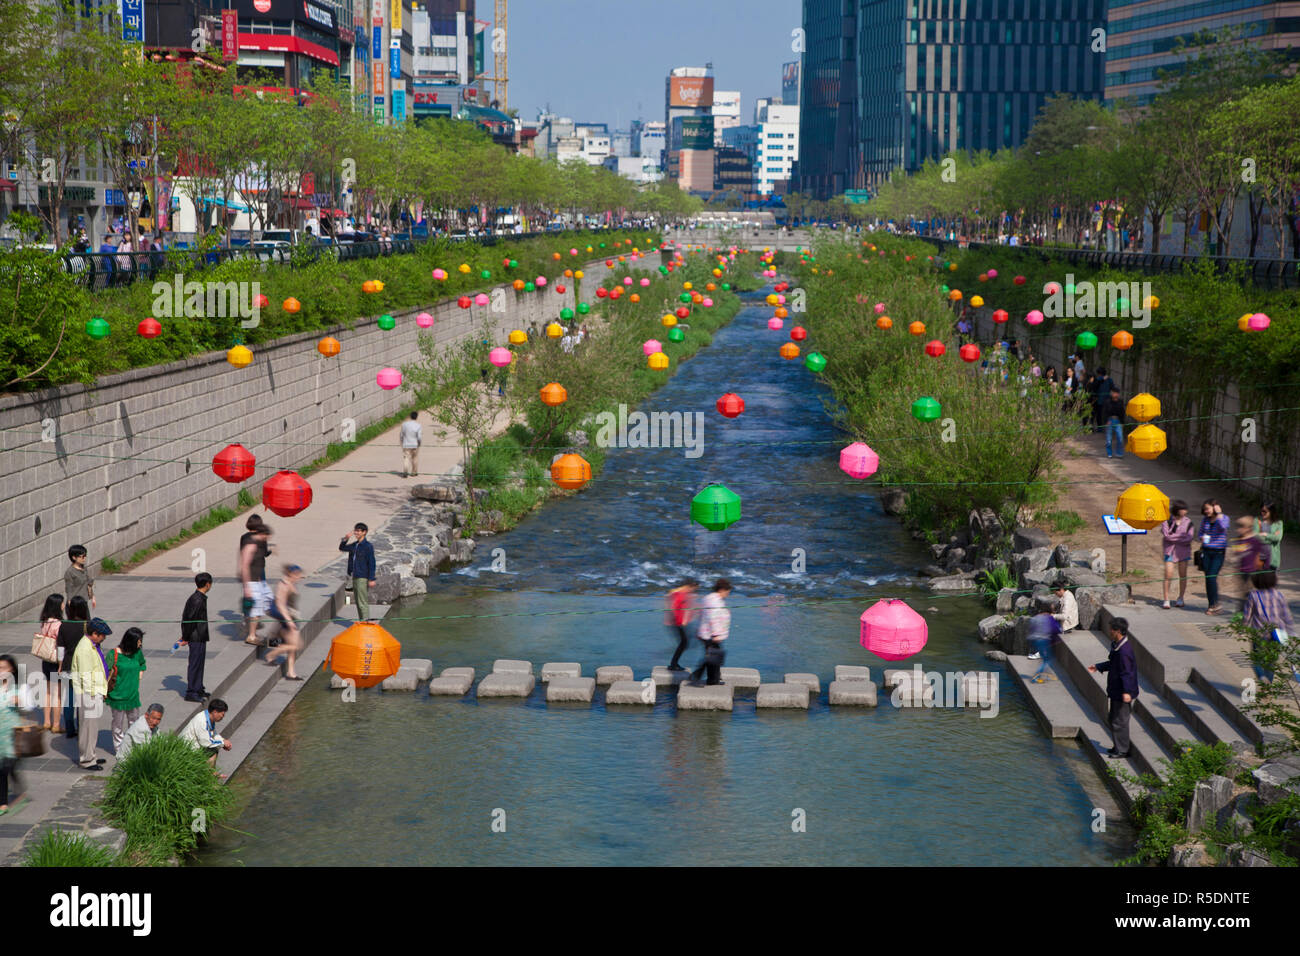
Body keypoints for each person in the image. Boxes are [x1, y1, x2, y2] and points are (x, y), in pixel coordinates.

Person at [1089, 617, 1138, 759]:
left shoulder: (1124, 652)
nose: (1109, 631)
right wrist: (1098, 667)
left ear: (1117, 631)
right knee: (1113, 718)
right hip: (1116, 690)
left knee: (1120, 720)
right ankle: (1118, 746)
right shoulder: (1118, 646)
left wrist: (1127, 692)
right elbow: (1113, 664)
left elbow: (1127, 673)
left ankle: (1122, 750)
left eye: (1111, 629)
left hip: (1122, 691)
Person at [70, 618, 113, 770]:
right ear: (94, 634)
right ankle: (87, 760)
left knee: (93, 728)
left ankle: (91, 755)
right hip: (89, 695)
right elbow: (86, 675)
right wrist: (93, 696)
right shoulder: (85, 649)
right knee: (87, 728)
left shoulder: (92, 645)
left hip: (94, 692)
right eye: (102, 635)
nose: (104, 638)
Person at [1243, 571, 1296, 682]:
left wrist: (1243, 627)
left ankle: (1262, 678)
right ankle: (1268, 687)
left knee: (1256, 659)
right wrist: (1291, 631)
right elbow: (1286, 614)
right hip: (1277, 633)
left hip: (1259, 632)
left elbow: (1247, 615)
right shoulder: (1279, 594)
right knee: (1271, 661)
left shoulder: (1253, 595)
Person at [106, 627, 147, 754]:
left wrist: (140, 675)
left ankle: (133, 747)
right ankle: (119, 749)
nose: (140, 644)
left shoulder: (137, 653)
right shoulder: (114, 654)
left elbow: (142, 664)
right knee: (118, 724)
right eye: (138, 641)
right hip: (117, 696)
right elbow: (105, 672)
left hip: (133, 696)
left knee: (134, 723)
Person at [58, 595, 90, 739]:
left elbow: (60, 649)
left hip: (67, 665)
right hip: (83, 667)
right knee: (81, 699)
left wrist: (60, 665)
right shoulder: (88, 626)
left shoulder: (64, 625)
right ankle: (82, 726)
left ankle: (70, 728)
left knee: (69, 699)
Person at [0, 654, 28, 816]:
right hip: (0, 736)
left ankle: (3, 803)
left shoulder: (18, 688)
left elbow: (29, 705)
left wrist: (20, 701)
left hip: (13, 737)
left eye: (3, 668)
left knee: (5, 769)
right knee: (4, 769)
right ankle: (10, 797)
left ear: (11, 669)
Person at [690, 579, 732, 686]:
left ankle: (713, 680)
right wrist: (716, 634)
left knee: (714, 657)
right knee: (712, 658)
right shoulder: (715, 601)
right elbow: (713, 618)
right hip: (710, 634)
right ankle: (697, 676)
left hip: (705, 632)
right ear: (722, 590)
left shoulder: (709, 598)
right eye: (728, 592)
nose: (728, 594)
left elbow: (700, 614)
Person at [265, 565, 304, 680]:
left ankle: (291, 672)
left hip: (293, 617)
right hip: (289, 619)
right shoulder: (283, 585)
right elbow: (280, 605)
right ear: (291, 574)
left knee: (291, 646)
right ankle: (272, 654)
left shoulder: (291, 583)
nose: (299, 577)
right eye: (298, 575)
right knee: (296, 645)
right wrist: (289, 621)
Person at [180, 572, 213, 702]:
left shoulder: (199, 598)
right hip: (195, 637)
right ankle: (192, 692)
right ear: (207, 584)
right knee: (194, 664)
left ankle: (198, 688)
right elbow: (188, 620)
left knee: (200, 663)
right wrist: (185, 637)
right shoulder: (197, 600)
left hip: (200, 636)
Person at [239, 522, 273, 645]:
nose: (267, 539)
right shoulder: (251, 546)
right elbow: (244, 566)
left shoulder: (258, 544)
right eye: (266, 536)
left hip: (257, 581)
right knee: (256, 609)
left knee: (266, 602)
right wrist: (247, 586)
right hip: (251, 582)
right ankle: (251, 635)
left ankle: (253, 633)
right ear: (262, 534)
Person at [34, 593, 64, 731]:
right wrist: (61, 664)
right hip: (54, 661)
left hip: (45, 660)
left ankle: (46, 721)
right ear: (58, 606)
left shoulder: (45, 621)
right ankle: (56, 724)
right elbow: (60, 646)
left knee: (47, 692)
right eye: (62, 603)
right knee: (56, 694)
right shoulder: (58, 624)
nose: (64, 605)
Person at [1229, 516, 1271, 606]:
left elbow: (1265, 553)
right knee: (1243, 593)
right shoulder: (1239, 540)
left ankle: (1256, 612)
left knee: (1253, 593)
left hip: (1254, 571)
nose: (1238, 530)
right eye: (1237, 527)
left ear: (1248, 528)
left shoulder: (1255, 540)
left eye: (1241, 527)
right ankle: (1243, 612)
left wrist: (1265, 568)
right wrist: (1235, 559)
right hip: (1242, 571)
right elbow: (1237, 554)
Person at [1160, 500, 1195, 609]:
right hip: (1170, 551)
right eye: (1183, 509)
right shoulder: (1167, 521)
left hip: (1183, 552)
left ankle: (1181, 598)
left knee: (1183, 575)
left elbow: (1189, 538)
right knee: (1168, 574)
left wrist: (1174, 537)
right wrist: (1180, 536)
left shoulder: (1189, 522)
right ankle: (1166, 599)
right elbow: (1167, 536)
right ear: (1178, 510)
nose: (1185, 511)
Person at [1198, 499, 1230, 615]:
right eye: (1205, 509)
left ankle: (1215, 604)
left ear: (1215, 507)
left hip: (1218, 552)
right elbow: (1200, 532)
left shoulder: (1224, 518)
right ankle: (1212, 604)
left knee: (1211, 576)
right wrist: (1201, 537)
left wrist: (1219, 514)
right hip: (1206, 551)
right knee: (1208, 578)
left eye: (1208, 508)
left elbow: (1223, 527)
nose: (1206, 511)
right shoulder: (1205, 519)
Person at [181, 698, 232, 769]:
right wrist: (222, 743)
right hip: (187, 749)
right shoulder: (202, 721)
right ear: (215, 712)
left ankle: (211, 773)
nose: (222, 717)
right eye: (222, 714)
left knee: (214, 749)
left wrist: (223, 740)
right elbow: (206, 742)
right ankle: (209, 774)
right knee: (212, 750)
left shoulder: (209, 718)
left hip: (196, 746)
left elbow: (213, 734)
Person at [339, 524, 376, 621]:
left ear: (364, 532)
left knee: (362, 601)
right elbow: (342, 548)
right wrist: (345, 539)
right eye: (356, 530)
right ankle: (362, 621)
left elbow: (372, 563)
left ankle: (365, 622)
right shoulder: (355, 545)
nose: (356, 533)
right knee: (358, 601)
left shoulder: (368, 546)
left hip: (362, 577)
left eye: (359, 531)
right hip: (354, 576)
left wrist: (371, 578)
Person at [664, 578, 698, 672]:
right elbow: (674, 607)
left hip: (677, 622)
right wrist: (681, 621)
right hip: (676, 622)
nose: (694, 590)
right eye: (694, 588)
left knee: (684, 642)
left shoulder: (683, 593)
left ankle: (674, 664)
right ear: (690, 586)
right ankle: (673, 664)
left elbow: (685, 607)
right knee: (684, 642)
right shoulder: (681, 594)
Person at [1026, 610, 1061, 681]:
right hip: (1043, 640)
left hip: (1033, 640)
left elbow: (1030, 629)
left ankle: (1043, 674)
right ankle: (1037, 676)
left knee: (1044, 658)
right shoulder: (1048, 618)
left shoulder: (1035, 618)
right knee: (1047, 660)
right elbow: (1055, 629)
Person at [64, 544, 95, 610]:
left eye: (85, 556)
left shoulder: (84, 568)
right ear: (74, 557)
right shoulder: (70, 572)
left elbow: (89, 583)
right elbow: (69, 589)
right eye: (82, 556)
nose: (84, 558)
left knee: (87, 620)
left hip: (84, 602)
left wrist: (92, 597)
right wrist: (70, 603)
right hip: (75, 604)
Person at [1255, 503, 1284, 572]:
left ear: (1272, 511)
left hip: (1272, 559)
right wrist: (1272, 537)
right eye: (1262, 510)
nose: (1262, 513)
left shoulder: (1279, 523)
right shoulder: (1257, 521)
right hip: (1259, 558)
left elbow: (1278, 538)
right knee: (1259, 581)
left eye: (1265, 511)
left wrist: (1265, 534)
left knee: (1271, 581)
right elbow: (1255, 537)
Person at [1101, 386, 1126, 458]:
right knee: (1109, 439)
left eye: (1116, 393)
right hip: (1110, 420)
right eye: (1113, 393)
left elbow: (1122, 412)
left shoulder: (1120, 401)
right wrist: (1106, 421)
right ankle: (1109, 453)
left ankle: (1119, 453)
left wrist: (1122, 422)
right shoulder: (1107, 401)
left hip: (1118, 421)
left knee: (1120, 438)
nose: (1115, 394)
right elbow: (1104, 412)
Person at [400, 411, 423, 478]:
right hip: (414, 444)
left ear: (410, 416)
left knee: (406, 458)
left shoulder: (404, 424)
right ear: (416, 417)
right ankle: (414, 472)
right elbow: (419, 436)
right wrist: (419, 443)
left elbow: (401, 435)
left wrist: (401, 442)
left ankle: (405, 472)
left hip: (406, 444)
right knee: (414, 458)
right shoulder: (418, 425)